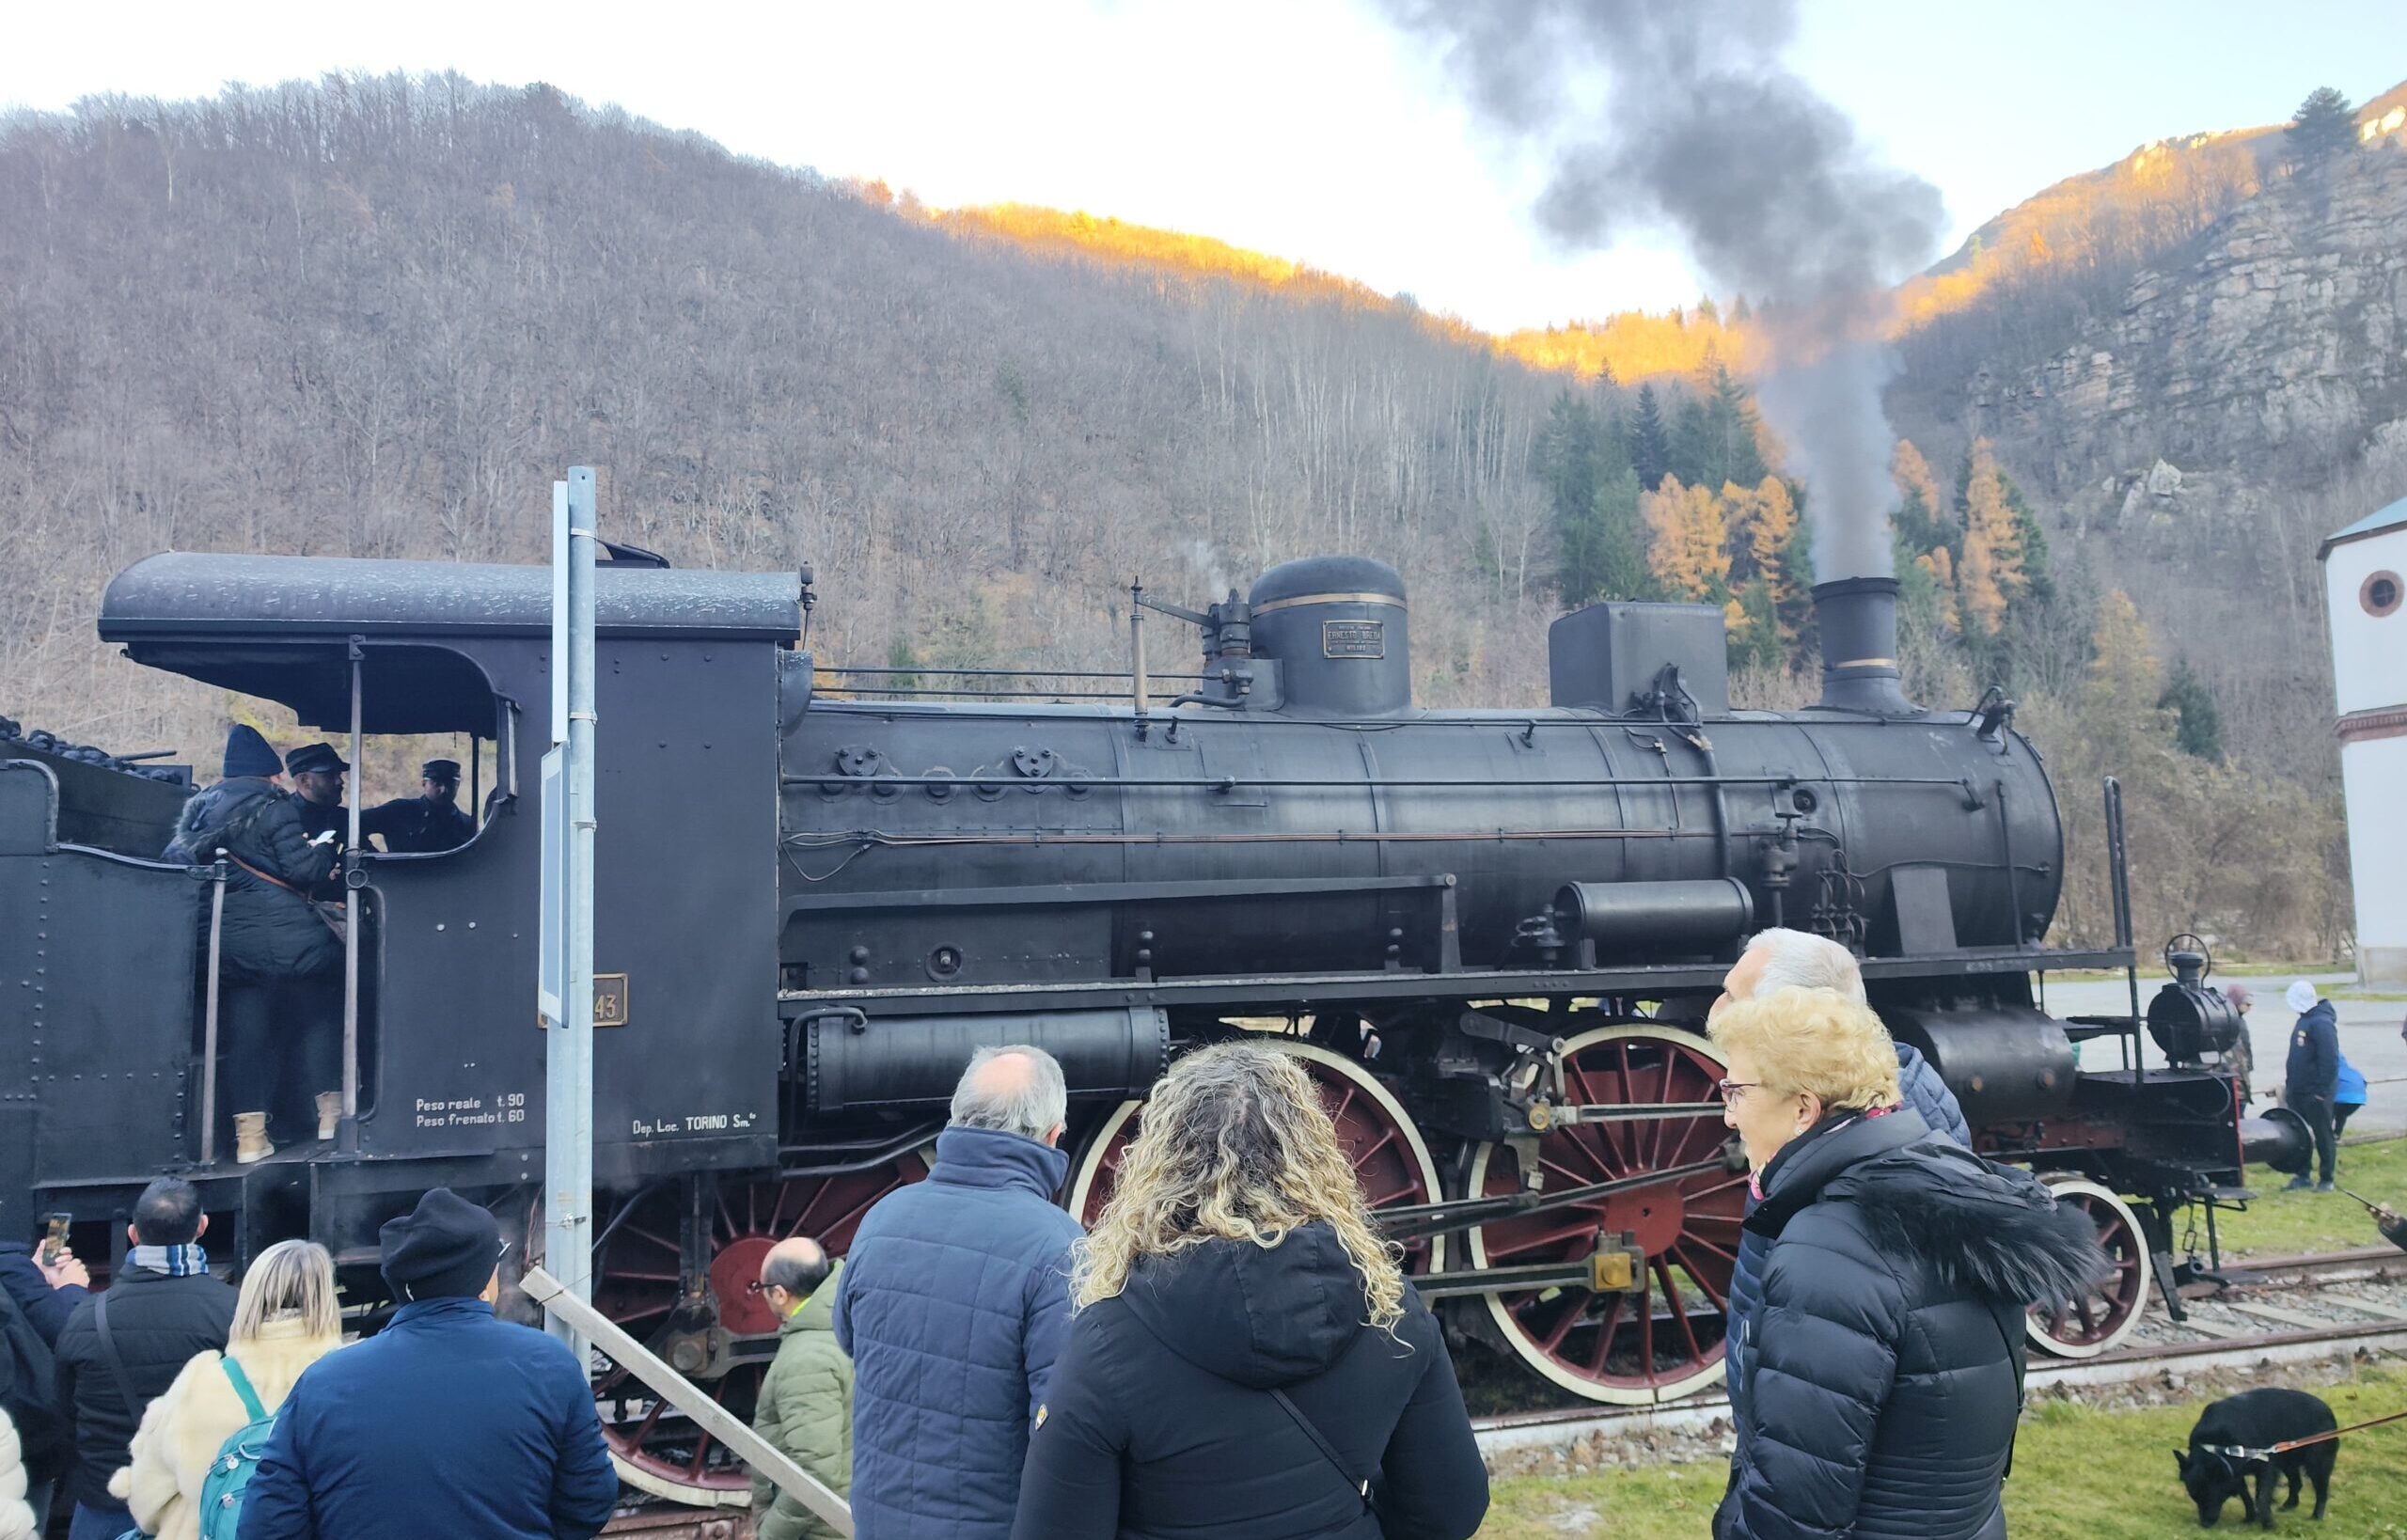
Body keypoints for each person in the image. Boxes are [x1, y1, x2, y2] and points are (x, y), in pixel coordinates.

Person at [1010, 1042, 1487, 1540]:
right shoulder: (1389, 1306)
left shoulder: (1109, 1339)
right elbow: (1452, 1510)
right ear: (1314, 1156)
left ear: (1161, 1166)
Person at [1708, 988, 2105, 1540]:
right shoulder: (1950, 1191)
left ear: (1802, 1108)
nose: (1728, 1115)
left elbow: (1795, 1510)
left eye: (1736, 1091)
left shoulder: (1828, 1248)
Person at [1711, 928, 1973, 1446]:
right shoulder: (1817, 1128)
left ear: (1801, 1020)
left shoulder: (1857, 1150)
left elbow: (1831, 1374)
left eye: (1734, 1000)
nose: (1716, 1012)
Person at [237, 1187, 618, 1540]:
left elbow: (266, 1526)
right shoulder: (550, 1365)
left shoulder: (322, 1383)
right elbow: (588, 1503)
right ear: (486, 1278)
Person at [835, 1046, 1083, 1540]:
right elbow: (1063, 1426)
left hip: (880, 1521)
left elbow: (848, 1339)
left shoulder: (882, 1218)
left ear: (957, 1117)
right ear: (1053, 1134)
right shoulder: (1059, 1245)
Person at [165, 727, 342, 1161]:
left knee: (248, 1039)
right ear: (269, 775)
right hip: (290, 944)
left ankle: (250, 1139)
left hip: (229, 947)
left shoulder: (199, 812)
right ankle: (331, 1119)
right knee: (318, 1019)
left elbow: (176, 864)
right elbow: (302, 870)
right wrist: (327, 855)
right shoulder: (273, 807)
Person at [110, 1240, 342, 1540]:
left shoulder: (201, 1382)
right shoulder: (352, 1383)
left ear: (249, 1298)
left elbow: (147, 1501)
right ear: (328, 1299)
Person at [54, 1179, 237, 1540]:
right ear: (202, 1227)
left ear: (133, 1234)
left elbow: (64, 1415)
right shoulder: (234, 1311)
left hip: (106, 1509)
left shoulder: (85, 1318)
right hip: (195, 1512)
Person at [749, 1239, 850, 1540]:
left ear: (780, 1294)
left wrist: (770, 1535)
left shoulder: (806, 1361)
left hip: (821, 1530)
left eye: (761, 1287)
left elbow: (815, 1471)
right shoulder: (842, 1326)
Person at [0, 1233, 89, 1526]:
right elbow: (69, 1331)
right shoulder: (10, 1266)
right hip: (27, 1441)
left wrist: (32, 1274)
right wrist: (71, 1289)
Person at [2283, 980, 2339, 1191]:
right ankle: (2302, 1174)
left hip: (2316, 1092)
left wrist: (2321, 1090)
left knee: (2323, 1134)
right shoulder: (2303, 1021)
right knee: (2300, 1134)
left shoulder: (2322, 1023)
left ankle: (2326, 1178)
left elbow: (2329, 1060)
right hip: (2298, 1090)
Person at [359, 759, 475, 854]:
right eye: (436, 783)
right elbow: (356, 823)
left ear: (458, 785)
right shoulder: (400, 811)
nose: (444, 790)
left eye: (450, 784)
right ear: (424, 784)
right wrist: (377, 861)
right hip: (402, 874)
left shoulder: (466, 823)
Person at [278, 745, 350, 853]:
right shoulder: (283, 819)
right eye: (330, 776)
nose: (339, 781)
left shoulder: (342, 818)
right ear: (304, 780)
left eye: (339, 774)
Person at [2224, 983, 2257, 1102]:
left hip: (2241, 1070)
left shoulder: (2237, 1020)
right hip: (2236, 1072)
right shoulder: (2233, 1022)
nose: (2249, 1007)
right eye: (2246, 1004)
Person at [2335, 1048, 2368, 1137]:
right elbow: (2364, 1083)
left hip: (2342, 1097)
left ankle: (2328, 1136)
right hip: (2360, 1098)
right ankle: (2337, 1134)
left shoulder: (2333, 1071)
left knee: (2329, 1114)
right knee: (2341, 1115)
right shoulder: (2354, 1071)